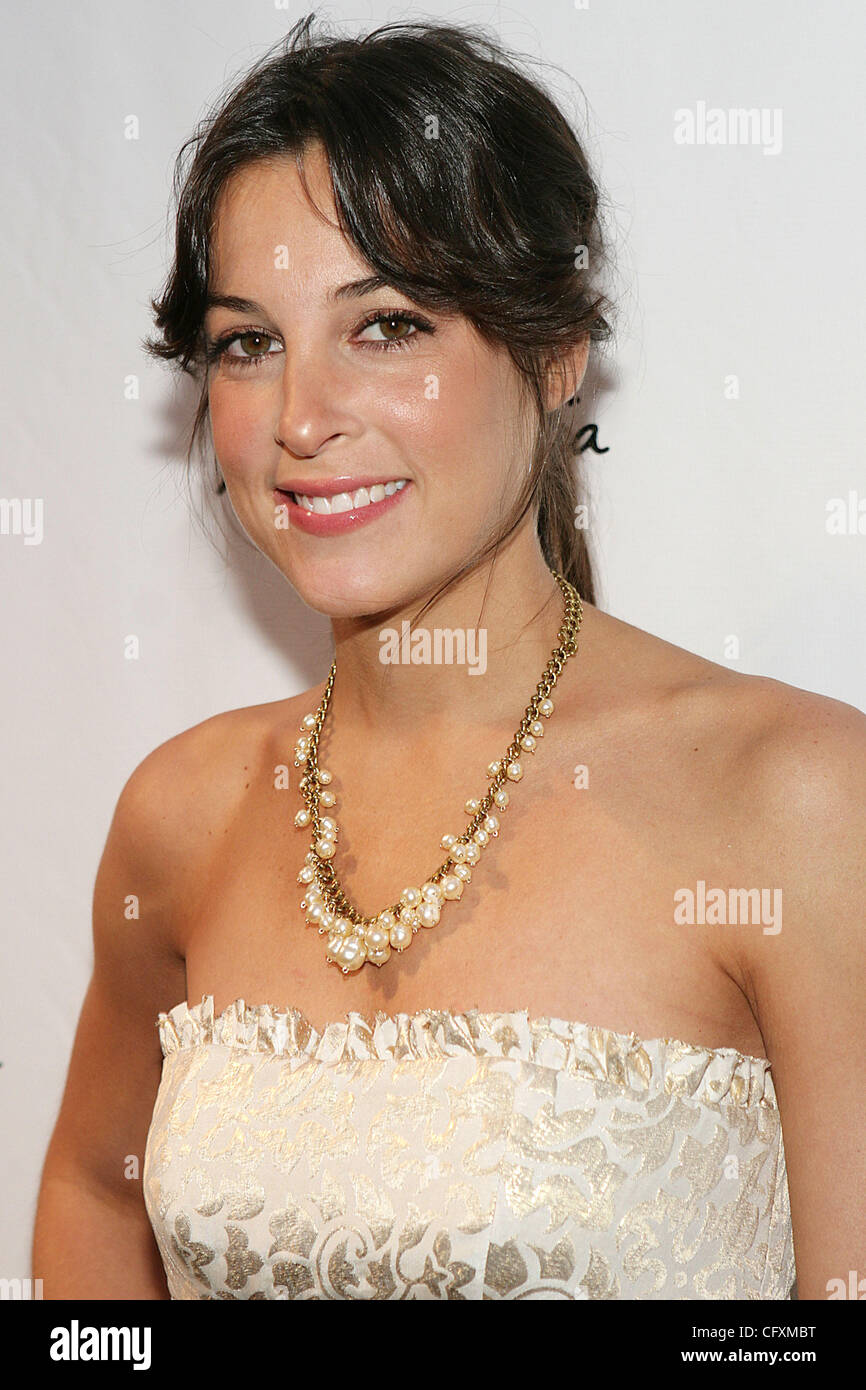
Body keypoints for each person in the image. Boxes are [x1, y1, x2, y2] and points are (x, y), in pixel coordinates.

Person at [33, 15, 866, 1301]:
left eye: (386, 326)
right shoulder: (182, 816)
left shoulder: (798, 801)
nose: (301, 419)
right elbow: (96, 1188)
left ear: (552, 350)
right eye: (250, 341)